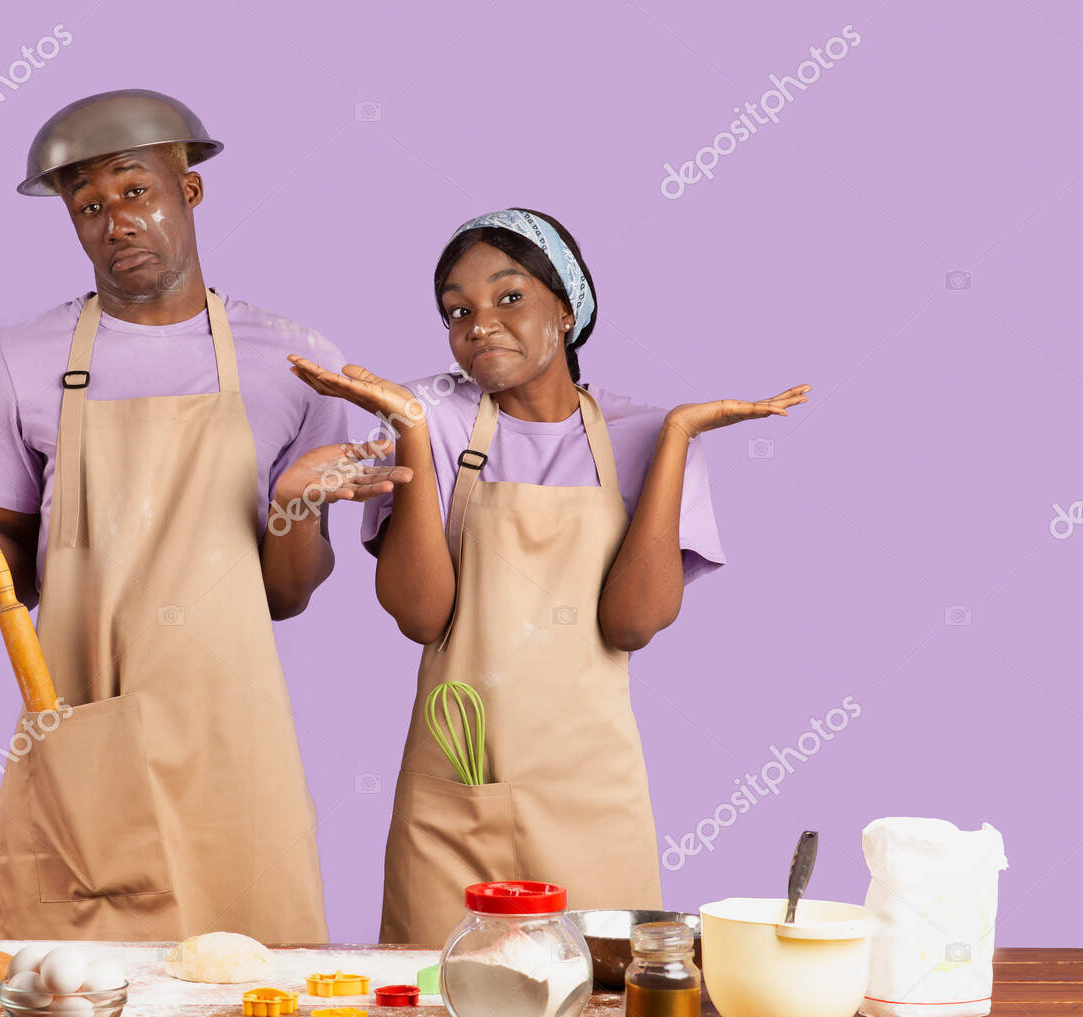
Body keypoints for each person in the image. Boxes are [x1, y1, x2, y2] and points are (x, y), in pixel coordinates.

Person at [0, 90, 407, 943]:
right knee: (74, 1009)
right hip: (84, 733)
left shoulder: (295, 362)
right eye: (88, 206)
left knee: (252, 1005)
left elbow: (286, 597)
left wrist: (294, 502)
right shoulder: (21, 359)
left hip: (233, 738)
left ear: (189, 192)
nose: (115, 219)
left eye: (135, 190)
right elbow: (15, 577)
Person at [290, 207, 807, 944]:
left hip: (592, 800)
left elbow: (631, 624)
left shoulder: (640, 433)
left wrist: (678, 438)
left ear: (564, 310)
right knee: (444, 1006)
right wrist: (406, 426)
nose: (480, 323)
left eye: (509, 297)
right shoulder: (432, 419)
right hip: (454, 796)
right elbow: (422, 616)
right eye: (456, 310)